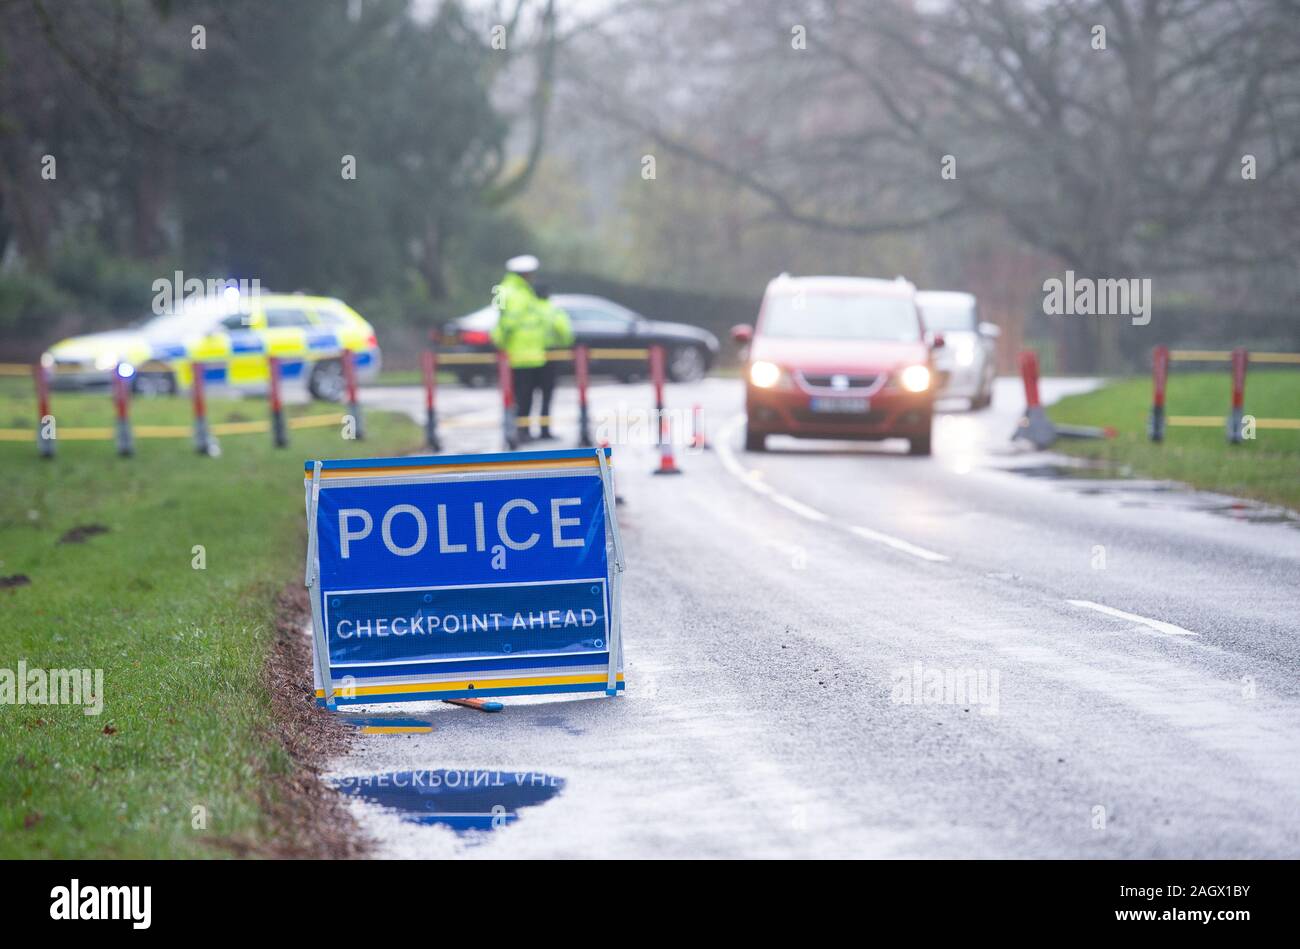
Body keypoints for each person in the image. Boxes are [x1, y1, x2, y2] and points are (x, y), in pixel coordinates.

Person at [489, 255, 569, 441]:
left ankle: (520, 431)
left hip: (526, 353)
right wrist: (501, 343)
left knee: (521, 396)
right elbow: (507, 322)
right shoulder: (515, 292)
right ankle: (520, 432)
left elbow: (502, 319)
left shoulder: (509, 290)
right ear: (525, 274)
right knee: (523, 396)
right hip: (522, 354)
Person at [533, 282, 574, 440]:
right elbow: (564, 332)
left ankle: (523, 430)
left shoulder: (528, 310)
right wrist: (563, 344)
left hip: (525, 357)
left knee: (524, 396)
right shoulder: (552, 310)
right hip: (548, 356)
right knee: (546, 395)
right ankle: (544, 429)